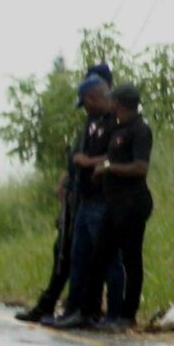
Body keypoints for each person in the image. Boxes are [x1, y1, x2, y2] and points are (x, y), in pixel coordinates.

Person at [17, 66, 121, 323]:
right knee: (76, 256)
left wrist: (89, 163)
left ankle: (112, 314)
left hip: (102, 198)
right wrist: (70, 175)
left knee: (107, 260)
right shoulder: (92, 122)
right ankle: (75, 310)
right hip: (82, 198)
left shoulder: (117, 121)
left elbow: (121, 157)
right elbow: (78, 156)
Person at [56, 81, 154, 331]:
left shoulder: (140, 130)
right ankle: (88, 311)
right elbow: (111, 159)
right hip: (114, 204)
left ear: (120, 103)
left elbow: (140, 167)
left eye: (113, 100)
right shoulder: (118, 129)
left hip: (132, 205)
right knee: (99, 258)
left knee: (130, 261)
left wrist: (109, 168)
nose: (109, 103)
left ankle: (125, 315)